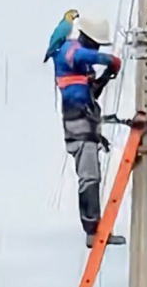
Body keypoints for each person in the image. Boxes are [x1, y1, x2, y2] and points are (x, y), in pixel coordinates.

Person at [51, 16, 124, 248]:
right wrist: (109, 60)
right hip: (78, 128)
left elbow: (90, 93)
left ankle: (96, 228)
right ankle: (93, 229)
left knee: (93, 176)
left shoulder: (83, 66)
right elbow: (82, 56)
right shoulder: (69, 51)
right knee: (89, 177)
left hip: (88, 127)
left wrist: (104, 77)